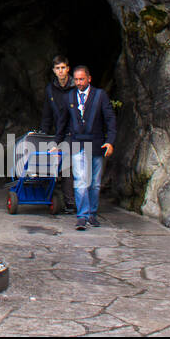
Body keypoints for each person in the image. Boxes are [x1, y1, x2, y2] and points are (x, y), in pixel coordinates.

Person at [56, 64, 116, 230]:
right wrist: (57, 143)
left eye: (82, 79)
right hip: (77, 144)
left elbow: (110, 119)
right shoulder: (69, 97)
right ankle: (82, 216)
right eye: (76, 79)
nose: (79, 82)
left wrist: (110, 141)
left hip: (96, 144)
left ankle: (92, 214)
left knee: (95, 183)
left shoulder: (100, 95)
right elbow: (62, 122)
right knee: (81, 181)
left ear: (89, 79)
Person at [40, 55, 77, 213]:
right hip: (59, 131)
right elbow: (47, 113)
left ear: (68, 69)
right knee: (51, 161)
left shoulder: (76, 86)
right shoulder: (51, 89)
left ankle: (70, 201)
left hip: (74, 132)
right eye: (57, 68)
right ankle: (50, 196)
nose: (60, 71)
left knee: (68, 165)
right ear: (54, 71)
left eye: (63, 68)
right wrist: (43, 133)